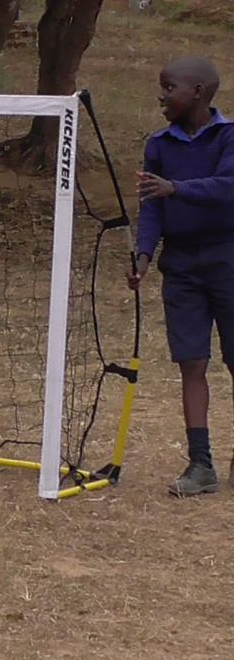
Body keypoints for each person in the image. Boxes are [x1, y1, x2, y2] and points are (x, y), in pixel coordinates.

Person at [129, 56, 234, 498]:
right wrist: (143, 253)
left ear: (198, 91)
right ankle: (201, 463)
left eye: (169, 87)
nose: (161, 97)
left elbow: (230, 187)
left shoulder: (229, 137)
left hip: (229, 260)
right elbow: (152, 203)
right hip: (183, 268)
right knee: (191, 363)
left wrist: (179, 189)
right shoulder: (159, 145)